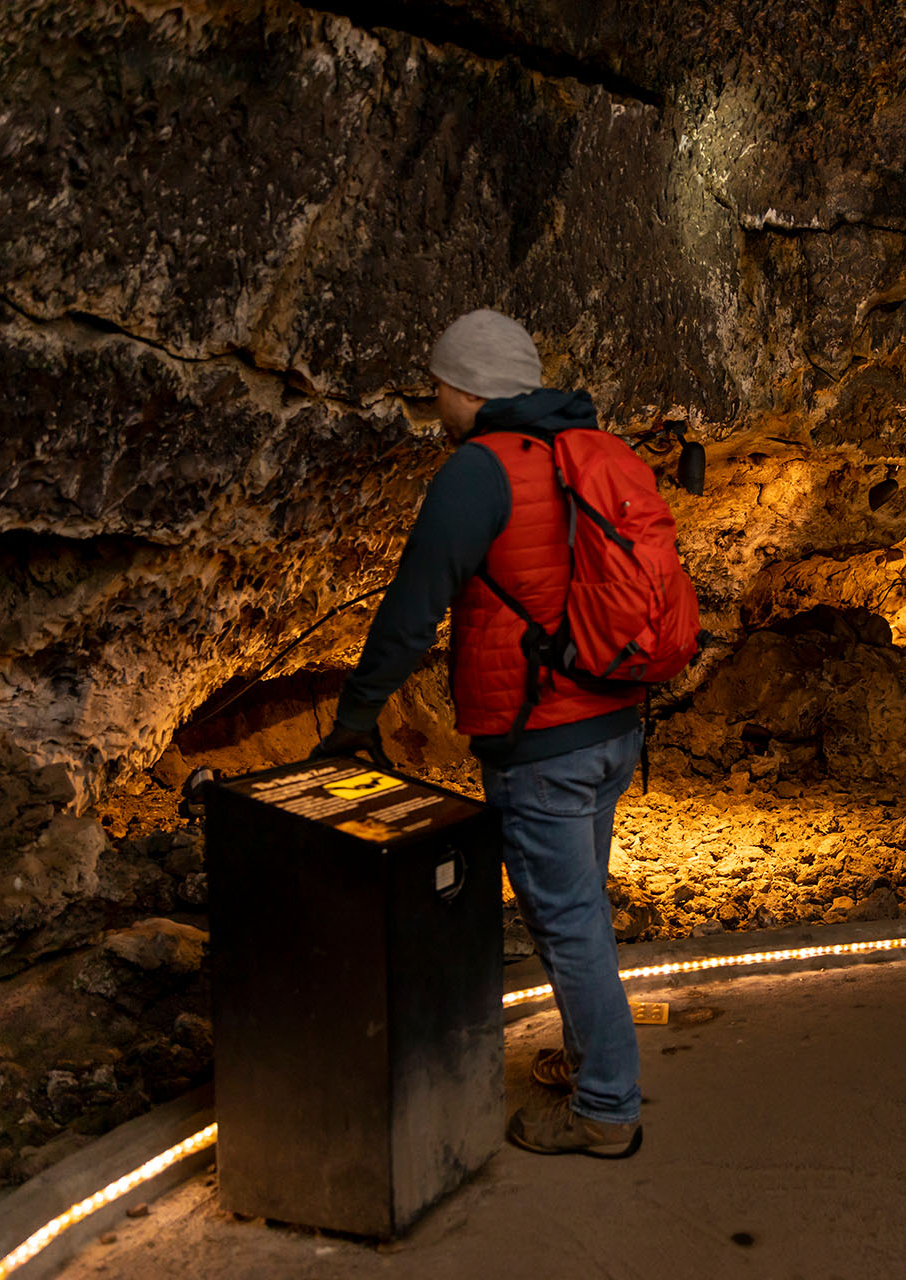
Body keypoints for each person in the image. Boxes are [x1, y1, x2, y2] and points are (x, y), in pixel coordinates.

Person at [314, 308, 644, 1159]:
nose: (435, 404)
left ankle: (606, 1108)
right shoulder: (580, 450)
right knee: (584, 913)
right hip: (612, 724)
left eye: (438, 388)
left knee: (568, 925)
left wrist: (355, 720)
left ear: (467, 388)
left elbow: (409, 614)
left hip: (542, 743)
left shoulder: (478, 471)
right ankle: (588, 1062)